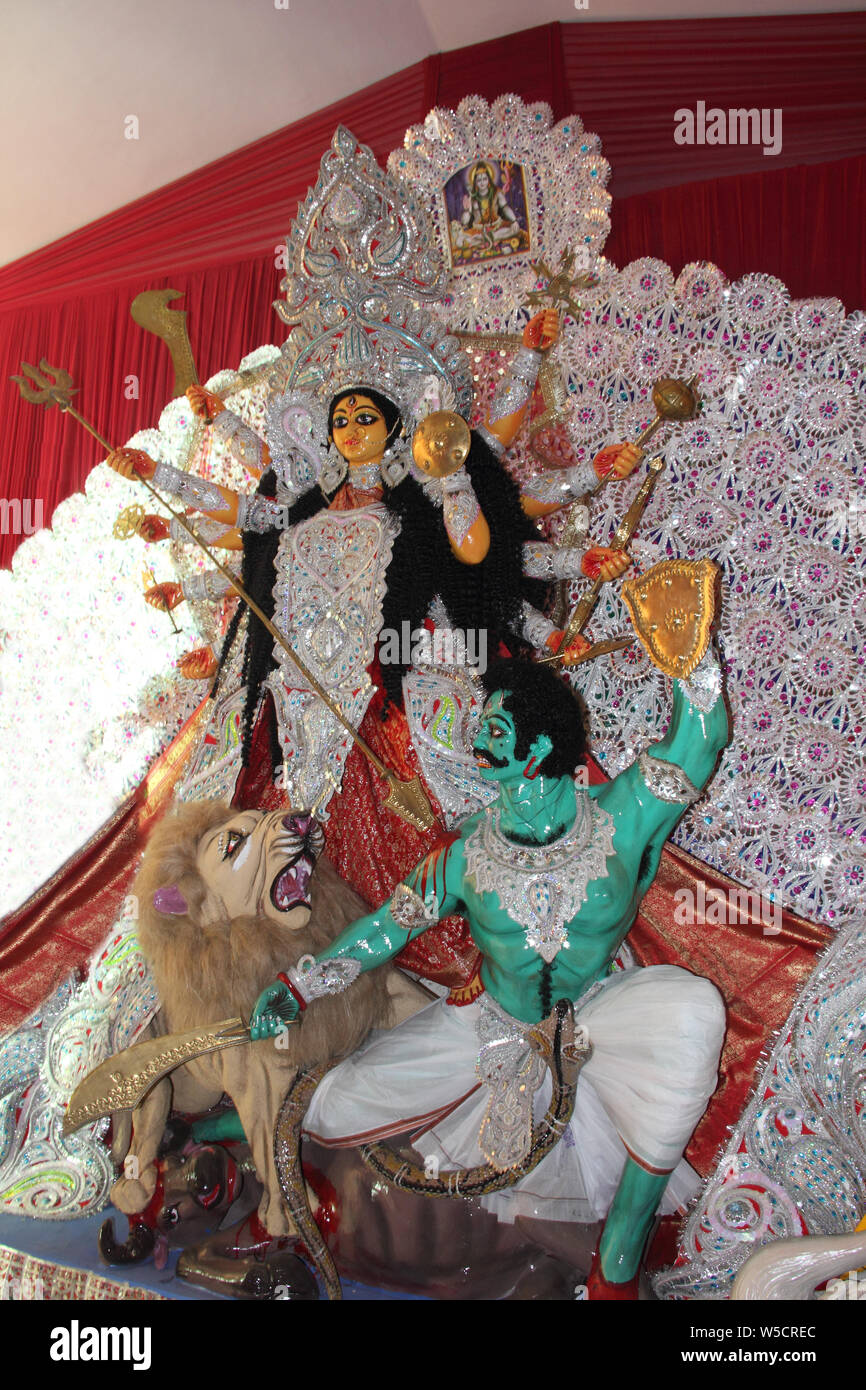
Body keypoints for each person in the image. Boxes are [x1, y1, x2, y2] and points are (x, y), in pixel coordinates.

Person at [250, 649, 729, 1299]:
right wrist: (301, 985)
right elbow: (391, 928)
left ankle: (619, 1257)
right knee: (330, 1107)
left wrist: (690, 653)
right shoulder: (466, 855)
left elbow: (696, 744)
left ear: (540, 748)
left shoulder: (622, 816)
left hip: (598, 1015)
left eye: (495, 730)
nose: (476, 740)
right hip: (489, 1024)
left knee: (693, 1012)